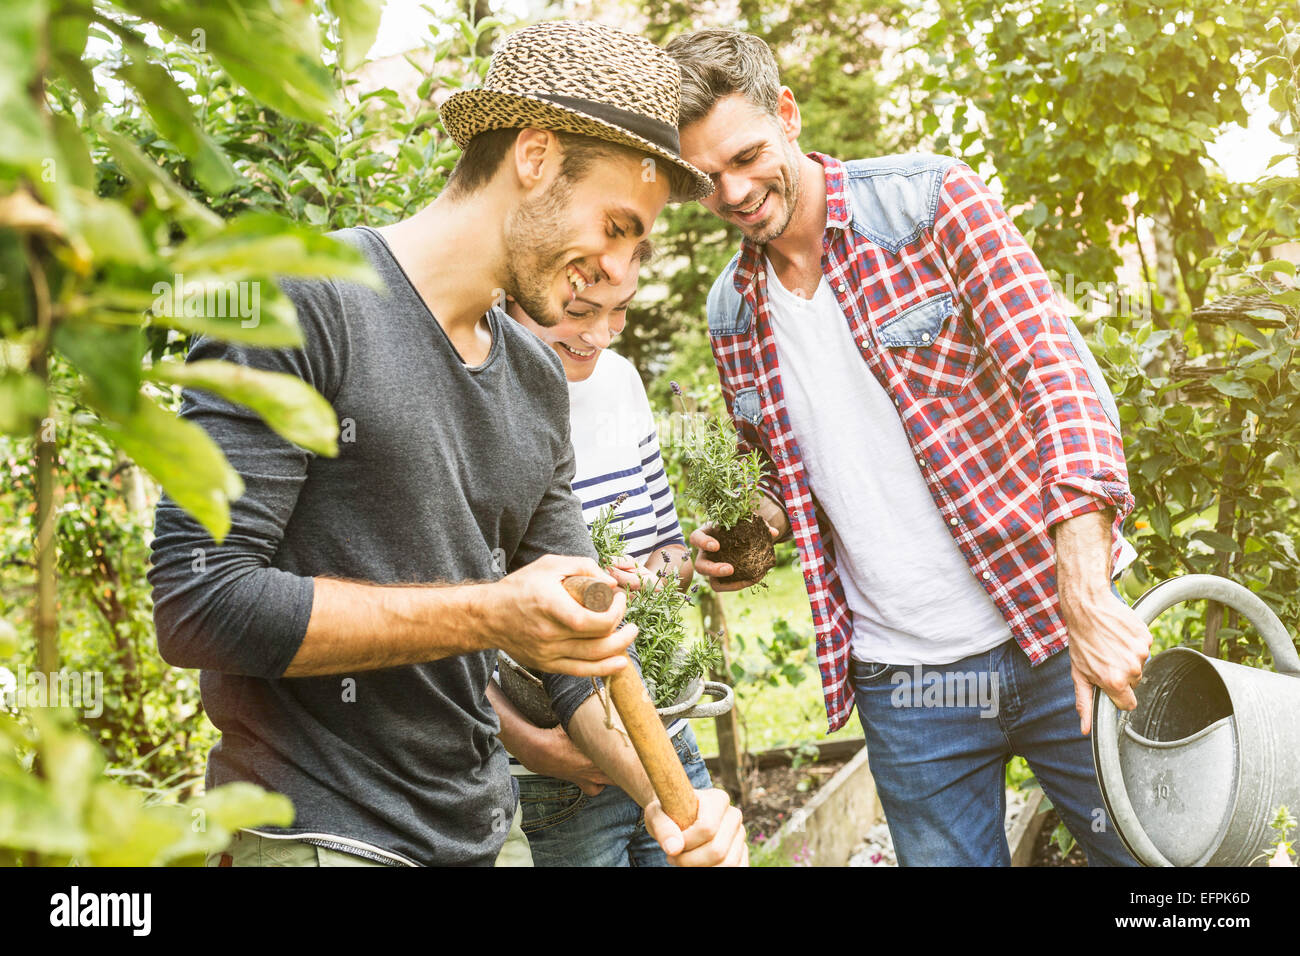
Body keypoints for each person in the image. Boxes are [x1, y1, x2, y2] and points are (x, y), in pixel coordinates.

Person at [149, 20, 744, 868]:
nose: (623, 273)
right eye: (615, 225)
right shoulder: (299, 297)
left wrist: (672, 800)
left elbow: (582, 648)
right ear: (533, 157)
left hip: (486, 837)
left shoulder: (537, 381)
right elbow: (198, 602)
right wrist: (488, 613)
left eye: (638, 246)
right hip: (320, 837)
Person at [664, 28, 1152, 866]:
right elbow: (783, 477)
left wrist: (1083, 586)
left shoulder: (933, 204)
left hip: (1049, 630)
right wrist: (749, 534)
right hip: (908, 687)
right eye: (708, 179)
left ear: (787, 113)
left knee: (1158, 873)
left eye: (747, 156)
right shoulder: (730, 312)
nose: (736, 192)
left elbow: (1059, 380)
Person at [491, 240, 718, 866]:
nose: (601, 334)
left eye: (619, 309)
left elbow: (673, 554)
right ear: (511, 294)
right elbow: (450, 629)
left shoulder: (621, 382)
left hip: (665, 735)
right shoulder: (479, 406)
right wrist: (530, 743)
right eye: (580, 310)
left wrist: (652, 578)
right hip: (561, 776)